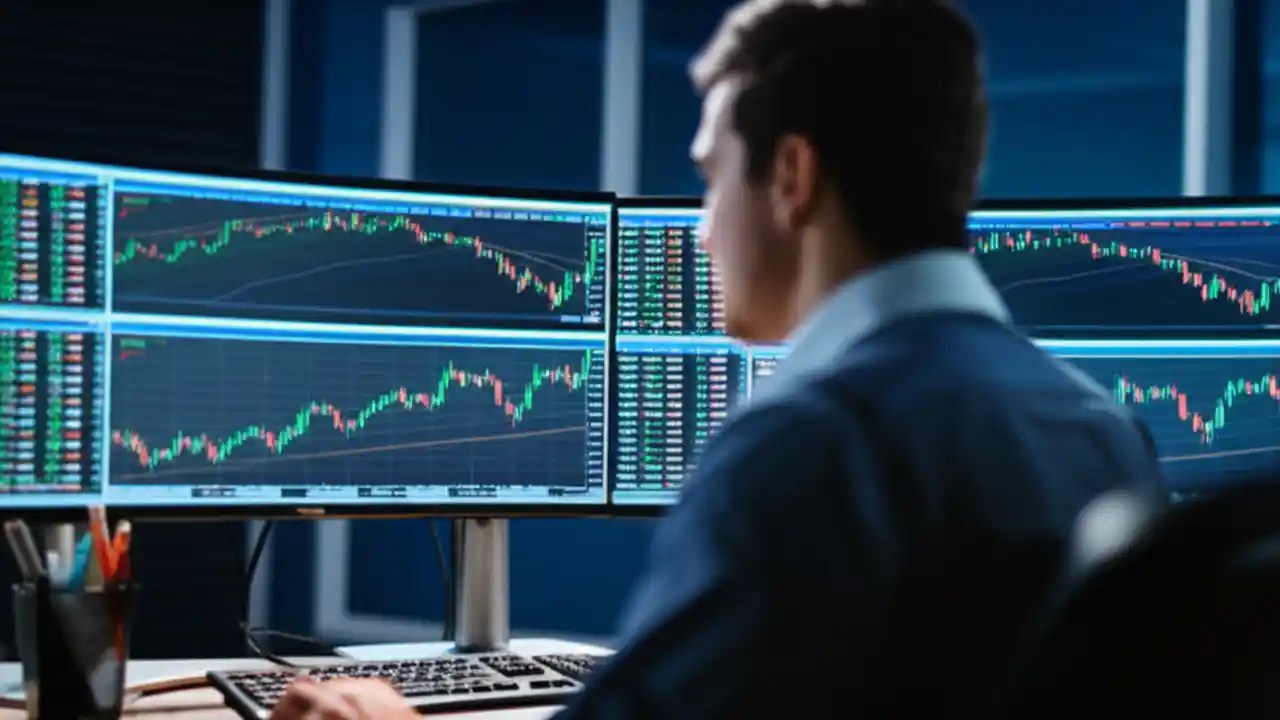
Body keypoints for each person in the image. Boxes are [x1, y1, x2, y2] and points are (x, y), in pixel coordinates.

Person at [270, 0, 1166, 717]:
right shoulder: (1104, 432)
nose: (701, 232)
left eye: (709, 176)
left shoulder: (814, 445)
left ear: (791, 177)